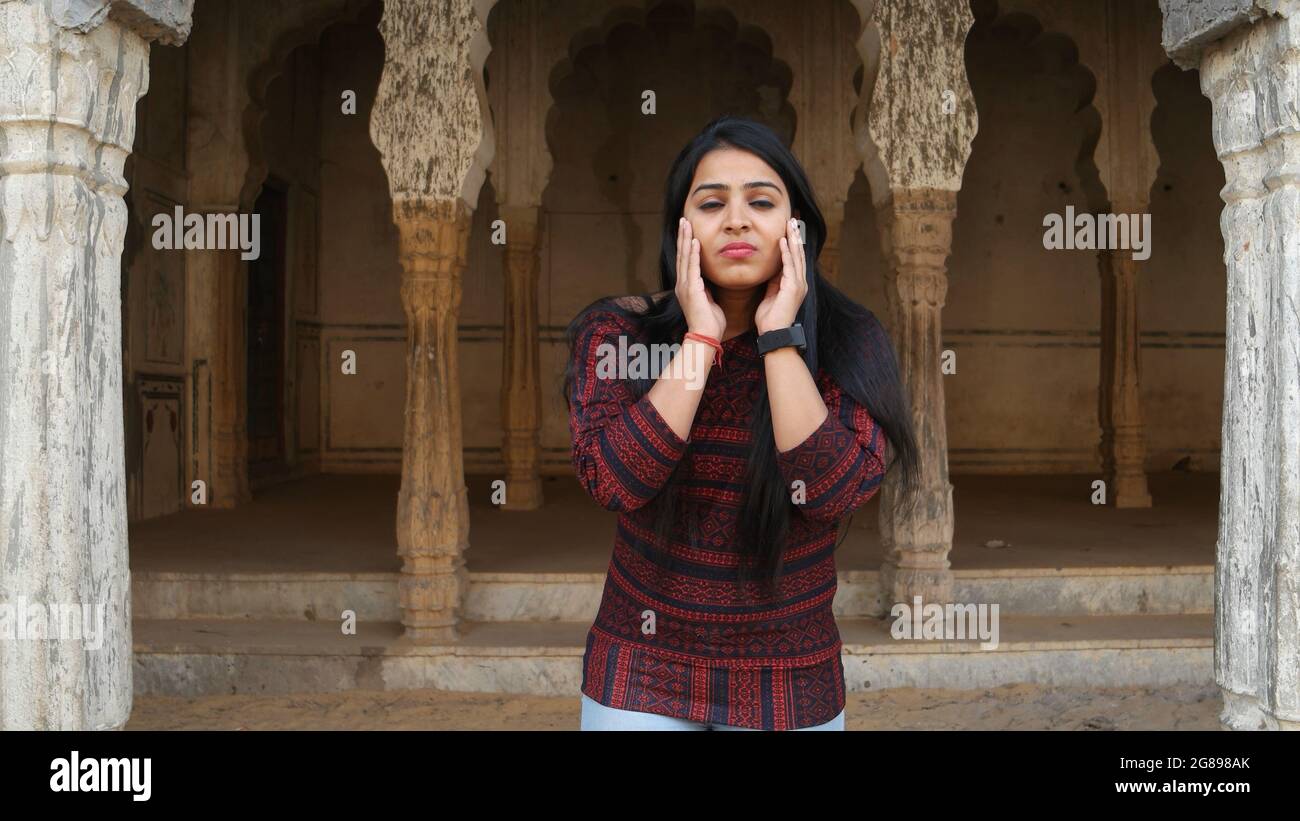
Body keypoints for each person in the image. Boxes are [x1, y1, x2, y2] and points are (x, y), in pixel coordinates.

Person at [562, 115, 920, 731]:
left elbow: (833, 492)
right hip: (642, 667)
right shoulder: (619, 333)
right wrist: (700, 337)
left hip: (790, 679)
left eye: (761, 200)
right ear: (682, 229)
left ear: (795, 226)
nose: (736, 220)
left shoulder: (848, 341)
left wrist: (777, 338)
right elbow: (615, 482)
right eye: (711, 203)